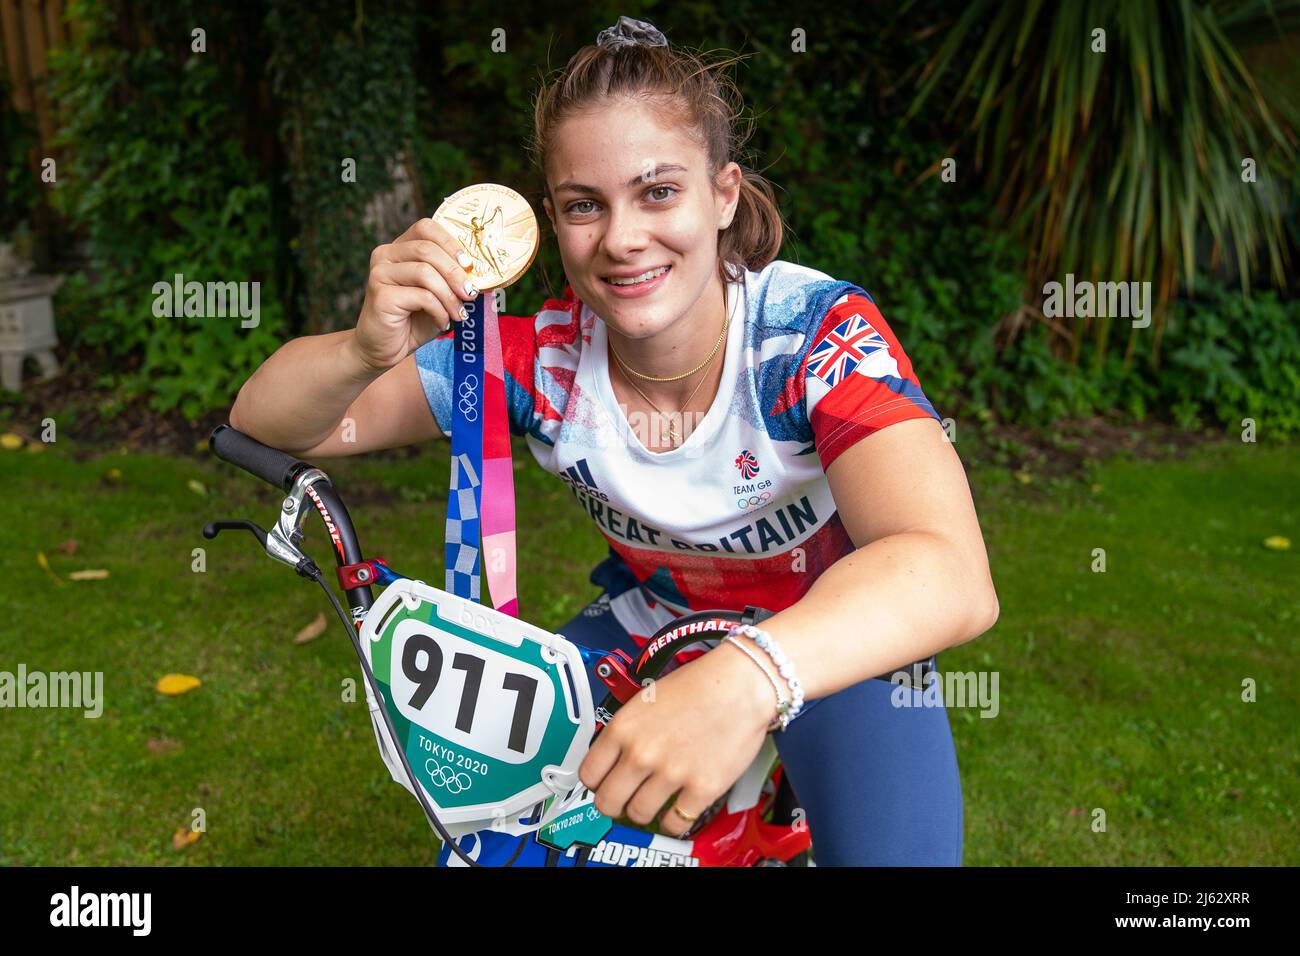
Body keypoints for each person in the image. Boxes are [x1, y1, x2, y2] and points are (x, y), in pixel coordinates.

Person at [229, 15, 998, 867]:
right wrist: (360, 351)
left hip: (837, 635)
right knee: (501, 842)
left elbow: (950, 570)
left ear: (725, 195)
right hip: (654, 624)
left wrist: (746, 676)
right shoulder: (539, 356)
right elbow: (266, 420)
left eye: (658, 192)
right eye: (584, 205)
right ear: (552, 221)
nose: (622, 239)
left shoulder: (807, 333)